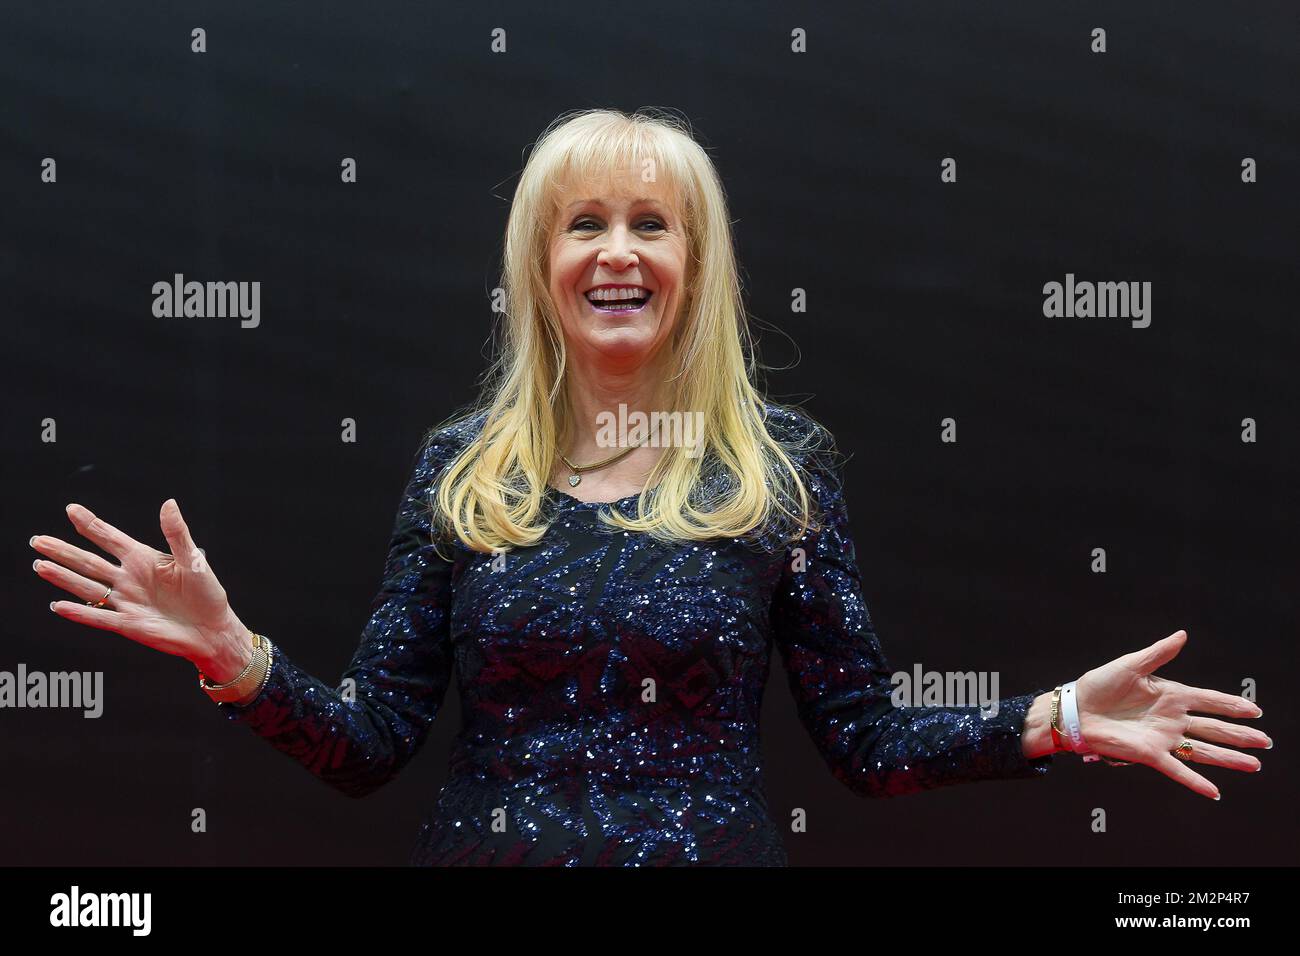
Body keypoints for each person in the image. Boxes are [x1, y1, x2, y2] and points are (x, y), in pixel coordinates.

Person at [31, 108, 1269, 866]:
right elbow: (368, 745)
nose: (616, 248)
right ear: (541, 262)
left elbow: (869, 743)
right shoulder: (463, 472)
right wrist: (235, 653)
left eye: (650, 224)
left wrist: (1052, 715)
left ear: (694, 261)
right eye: (582, 224)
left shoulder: (779, 469)